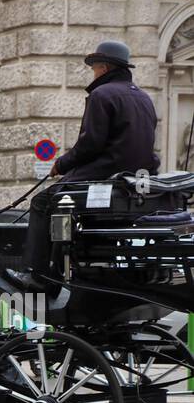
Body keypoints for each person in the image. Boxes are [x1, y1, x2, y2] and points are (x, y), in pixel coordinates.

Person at [16, 40, 159, 284]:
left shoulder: (101, 94)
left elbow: (90, 144)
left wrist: (60, 164)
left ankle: (38, 274)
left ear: (103, 68)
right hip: (136, 179)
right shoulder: (144, 97)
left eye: (94, 68)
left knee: (42, 201)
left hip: (107, 174)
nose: (92, 73)